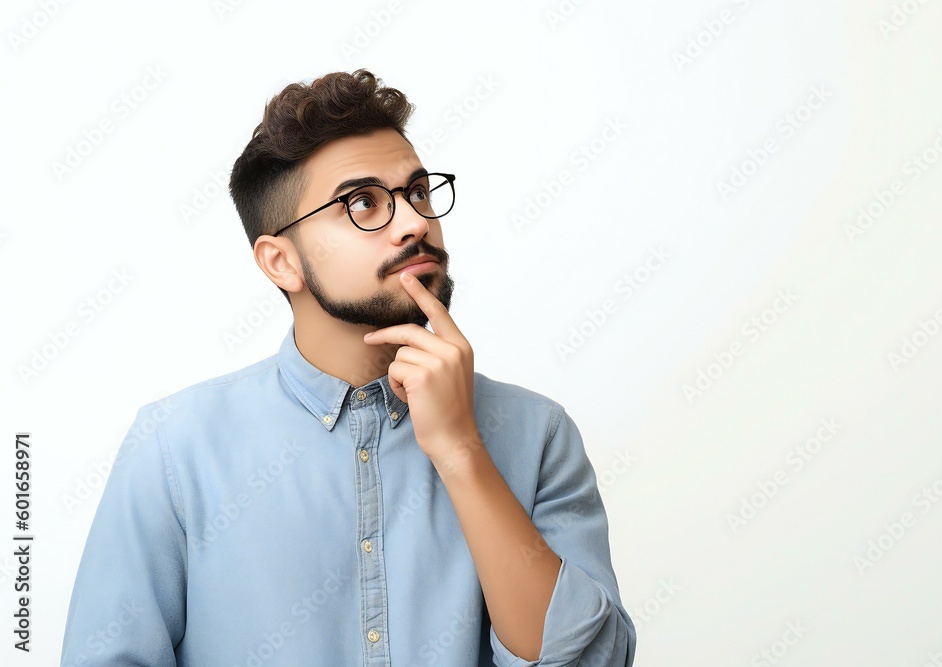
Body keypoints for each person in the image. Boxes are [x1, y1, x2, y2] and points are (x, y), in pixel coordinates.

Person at [61, 68, 637, 666]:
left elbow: (592, 660)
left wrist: (461, 451)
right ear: (281, 262)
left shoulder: (536, 433)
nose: (415, 223)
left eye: (418, 192)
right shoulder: (174, 447)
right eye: (363, 203)